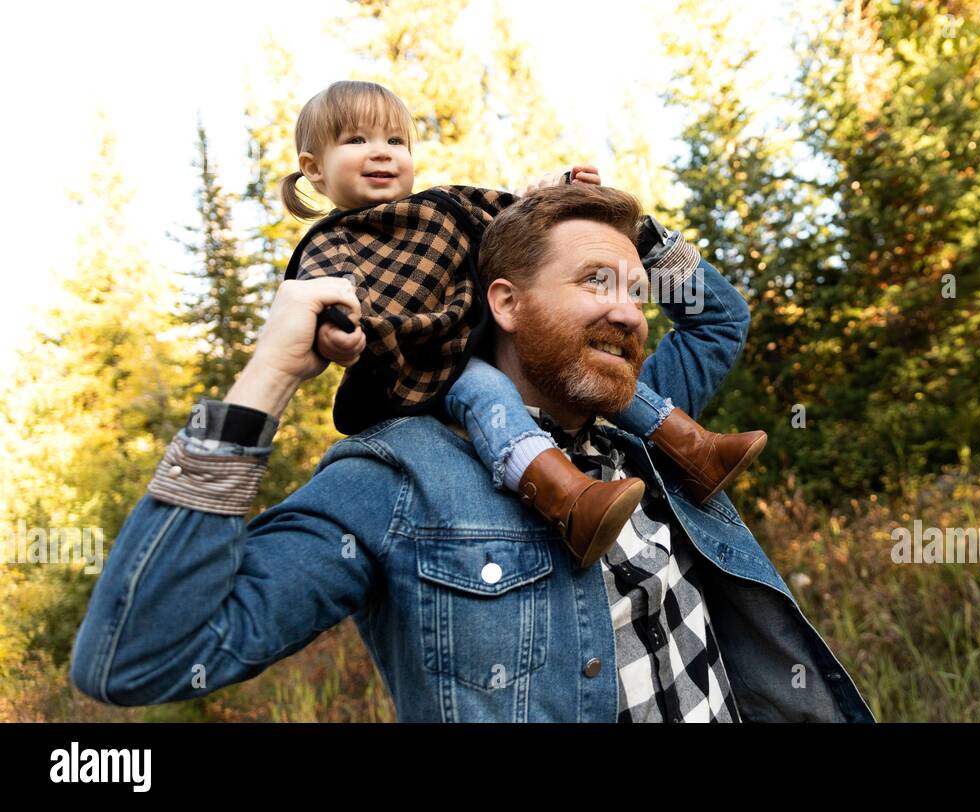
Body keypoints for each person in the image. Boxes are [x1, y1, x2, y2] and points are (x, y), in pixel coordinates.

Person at [70, 182, 876, 722]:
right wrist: (266, 379)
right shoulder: (396, 482)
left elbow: (718, 318)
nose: (631, 314)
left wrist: (639, 234)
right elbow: (140, 658)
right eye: (597, 281)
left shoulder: (647, 431)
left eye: (637, 293)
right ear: (506, 303)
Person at [280, 80, 767, 566]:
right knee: (486, 390)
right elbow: (327, 298)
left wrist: (617, 226)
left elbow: (521, 214)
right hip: (434, 369)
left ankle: (695, 450)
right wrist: (333, 335)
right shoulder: (335, 243)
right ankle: (565, 498)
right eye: (356, 141)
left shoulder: (441, 207)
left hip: (479, 342)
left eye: (395, 141)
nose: (381, 154)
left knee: (619, 376)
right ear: (313, 169)